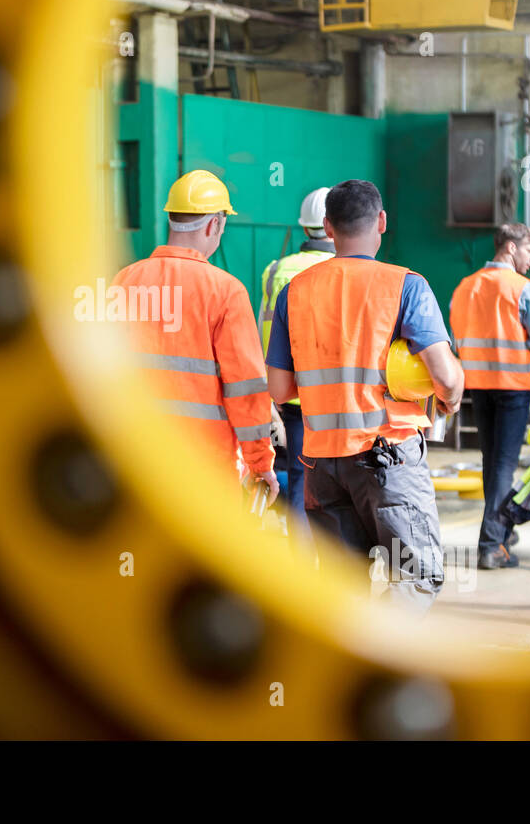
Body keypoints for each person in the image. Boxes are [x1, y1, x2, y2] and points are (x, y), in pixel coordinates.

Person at [264, 180, 463, 613]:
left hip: (321, 464)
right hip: (386, 457)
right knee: (415, 575)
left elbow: (279, 389)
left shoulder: (293, 291)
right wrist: (449, 397)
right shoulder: (405, 285)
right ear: (382, 221)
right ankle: (384, 662)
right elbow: (446, 378)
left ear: (328, 228)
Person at [114, 169, 278, 501]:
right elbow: (246, 389)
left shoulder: (124, 281)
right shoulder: (225, 291)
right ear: (214, 225)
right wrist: (260, 465)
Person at [450, 223, 530, 570]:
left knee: (492, 463)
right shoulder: (524, 289)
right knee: (504, 466)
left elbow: (455, 338)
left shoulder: (466, 287)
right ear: (510, 248)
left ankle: (503, 532)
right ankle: (491, 543)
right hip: (512, 385)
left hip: (477, 385)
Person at [256, 187, 335, 542]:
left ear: (305, 228)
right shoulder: (343, 269)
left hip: (289, 393)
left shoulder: (276, 270)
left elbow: (265, 328)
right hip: (337, 396)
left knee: (301, 481)